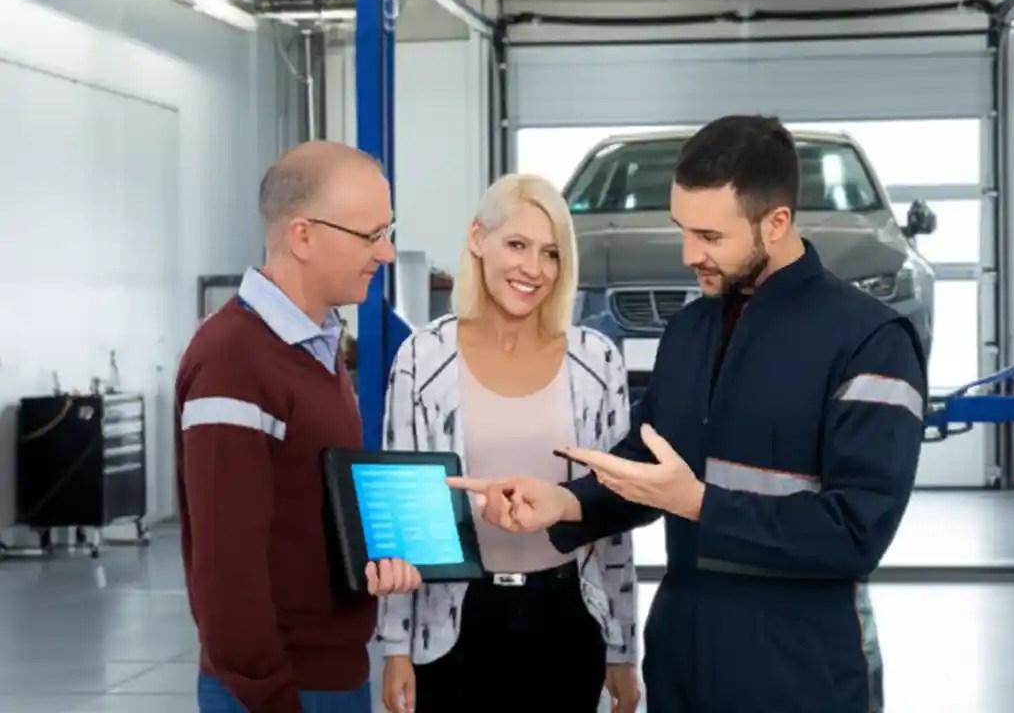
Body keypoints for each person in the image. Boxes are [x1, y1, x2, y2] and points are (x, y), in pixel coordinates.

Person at [450, 115, 927, 713]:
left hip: (803, 666)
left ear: (776, 222)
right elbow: (647, 464)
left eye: (709, 236)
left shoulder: (870, 341)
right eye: (682, 229)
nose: (687, 254)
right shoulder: (691, 330)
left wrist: (699, 503)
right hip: (684, 656)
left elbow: (857, 532)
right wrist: (568, 503)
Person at [375, 173, 642, 713]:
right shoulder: (423, 360)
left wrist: (622, 647)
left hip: (569, 616)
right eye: (517, 245)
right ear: (478, 239)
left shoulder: (596, 361)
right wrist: (396, 647)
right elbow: (402, 515)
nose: (533, 269)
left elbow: (613, 515)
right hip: (454, 623)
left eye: (550, 253)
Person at [175, 140, 424, 713]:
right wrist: (272, 695)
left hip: (331, 676)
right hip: (275, 689)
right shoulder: (234, 359)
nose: (386, 254)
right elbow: (226, 575)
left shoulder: (315, 347)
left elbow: (306, 515)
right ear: (303, 235)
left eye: (389, 231)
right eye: (371, 236)